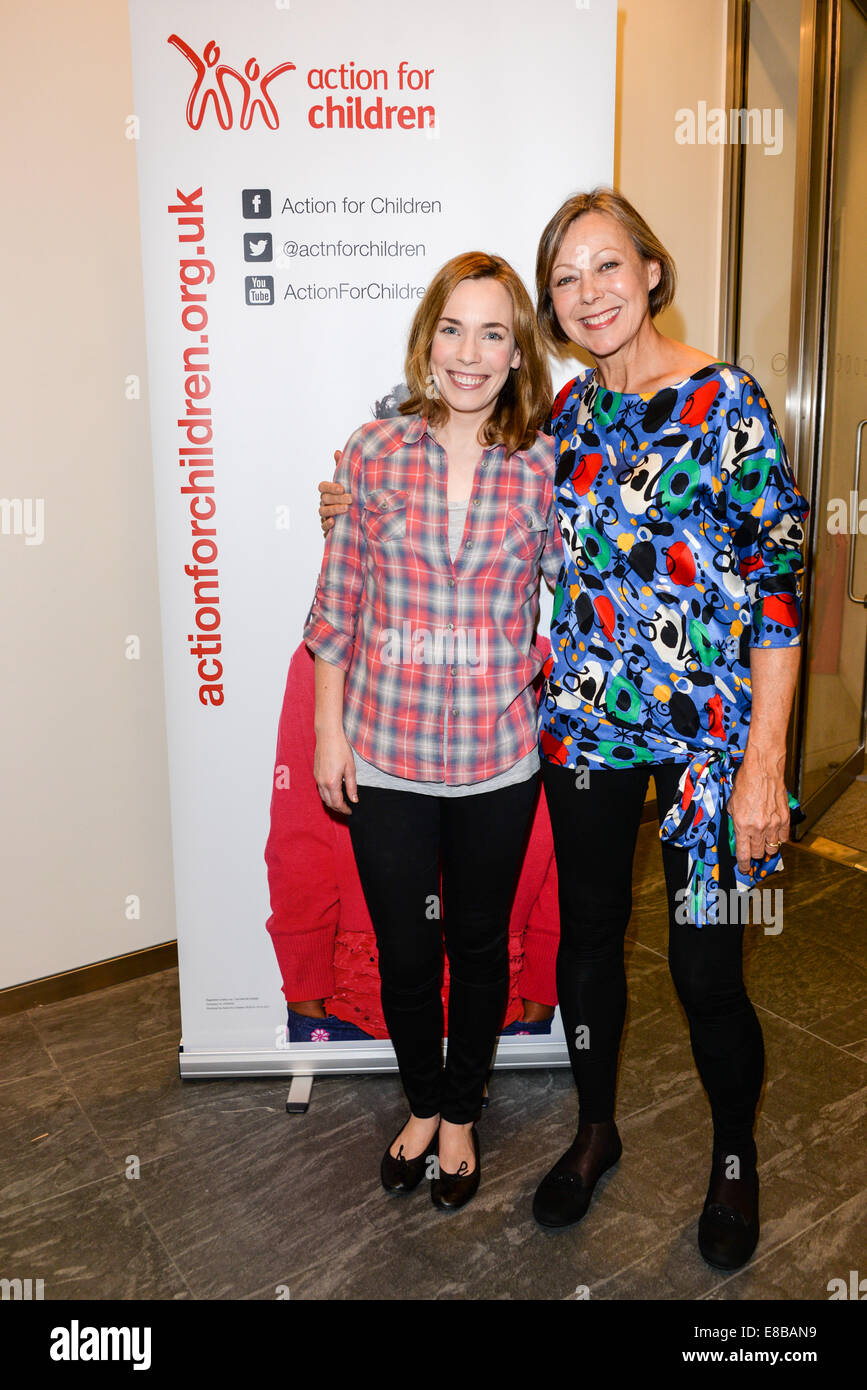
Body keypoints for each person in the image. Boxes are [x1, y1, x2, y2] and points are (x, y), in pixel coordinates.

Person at [317, 188, 810, 1270]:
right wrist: (343, 500)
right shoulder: (567, 419)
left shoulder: (729, 402)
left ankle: (734, 1157)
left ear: (651, 271)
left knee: (708, 966)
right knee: (588, 942)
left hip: (712, 741)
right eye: (568, 278)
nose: (590, 292)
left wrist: (766, 759)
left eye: (608, 267)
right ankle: (596, 1128)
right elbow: (453, 457)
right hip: (583, 724)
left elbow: (778, 584)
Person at [303, 252, 562, 1211]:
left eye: (494, 332)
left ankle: (461, 1113)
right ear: (427, 339)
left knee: (479, 944)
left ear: (517, 351)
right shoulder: (371, 452)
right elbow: (337, 604)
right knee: (409, 954)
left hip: (498, 760)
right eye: (453, 328)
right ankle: (419, 1101)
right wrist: (329, 735)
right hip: (387, 754)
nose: (470, 352)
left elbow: (588, 587)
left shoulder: (543, 462)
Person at [264, 638, 560, 1043]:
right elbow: (299, 832)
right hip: (350, 1001)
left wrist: (541, 985)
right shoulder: (326, 661)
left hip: (501, 1004)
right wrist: (305, 990)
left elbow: (554, 838)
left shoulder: (539, 665)